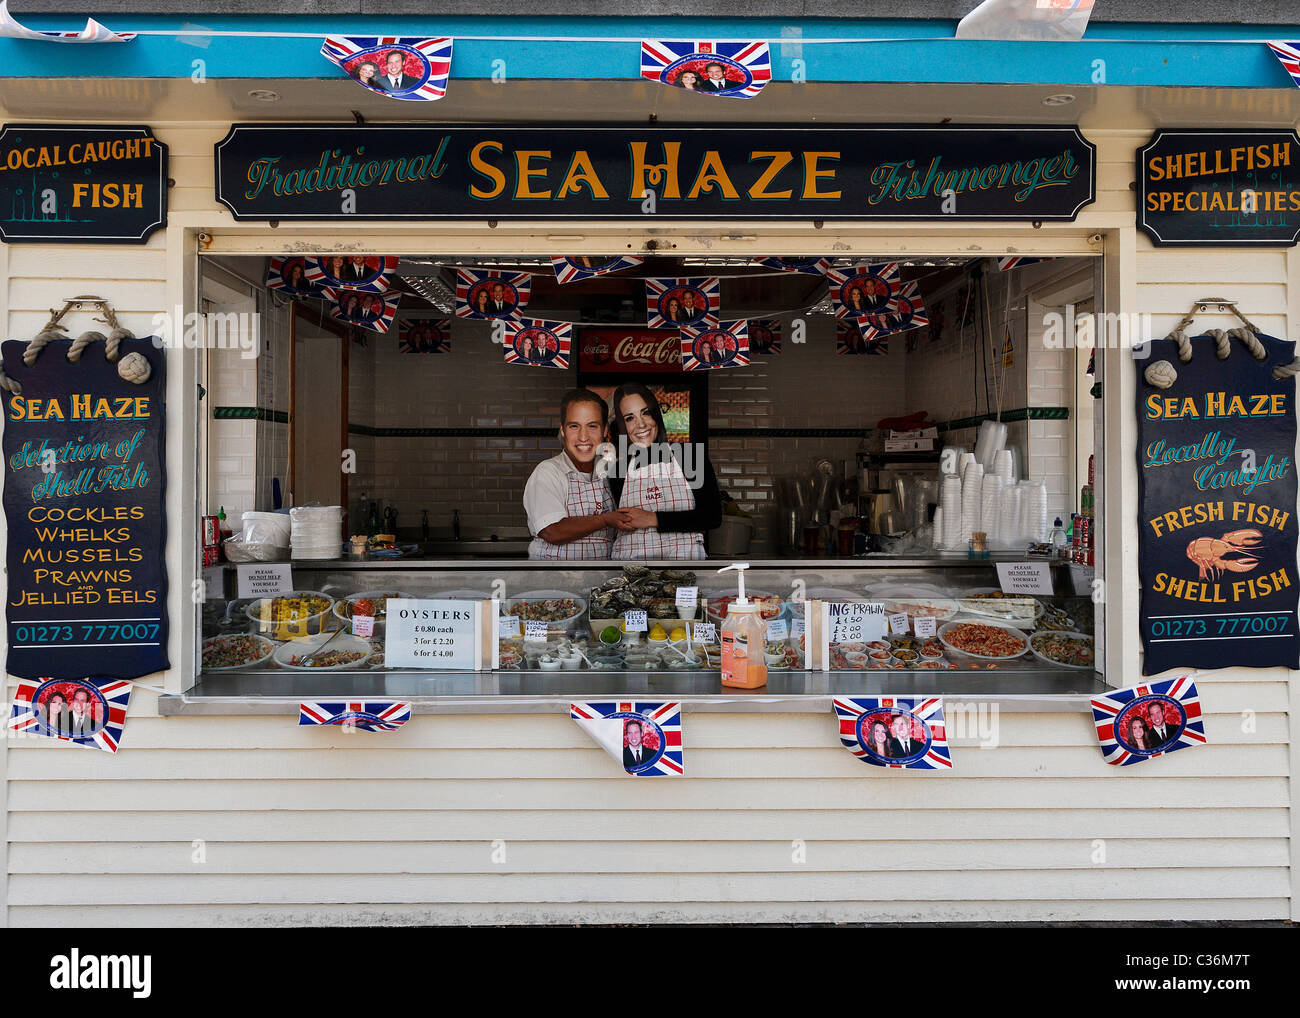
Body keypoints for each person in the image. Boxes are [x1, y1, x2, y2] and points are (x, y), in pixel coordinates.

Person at [607, 382, 721, 560]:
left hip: (685, 570)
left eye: (645, 413)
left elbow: (712, 516)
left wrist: (653, 519)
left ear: (656, 414)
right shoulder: (617, 469)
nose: (641, 424)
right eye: (630, 418)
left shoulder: (689, 456)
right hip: (630, 574)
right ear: (622, 425)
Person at [524, 389, 633, 559]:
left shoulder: (612, 472)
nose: (583, 437)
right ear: (563, 431)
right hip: (554, 580)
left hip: (602, 580)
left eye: (592, 426)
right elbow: (552, 531)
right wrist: (604, 520)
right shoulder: (548, 473)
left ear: (604, 430)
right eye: (574, 426)